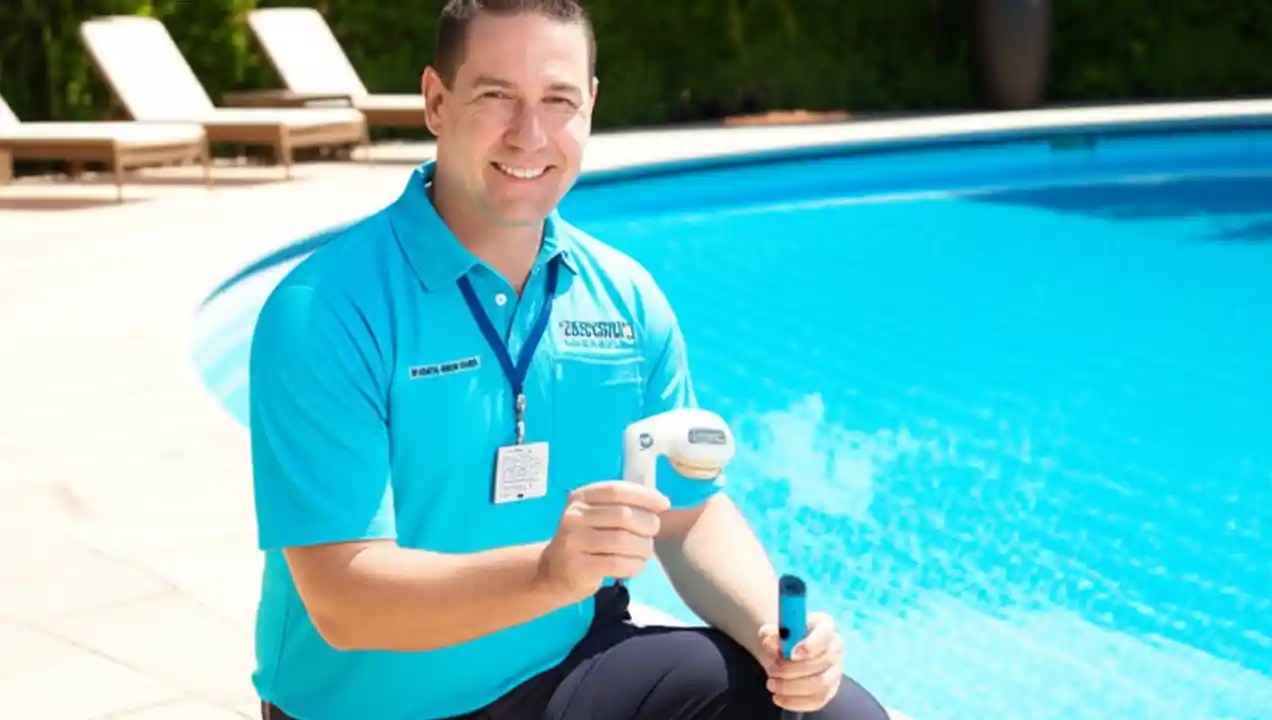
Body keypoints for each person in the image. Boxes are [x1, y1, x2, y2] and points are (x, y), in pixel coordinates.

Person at [247, 1, 892, 718]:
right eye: (497, 96)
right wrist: (549, 574)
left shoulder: (626, 300)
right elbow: (345, 599)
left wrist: (774, 635)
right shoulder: (327, 307)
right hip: (369, 705)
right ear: (436, 101)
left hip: (563, 669)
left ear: (589, 104)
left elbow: (686, 514)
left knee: (831, 715)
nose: (530, 133)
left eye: (557, 99)